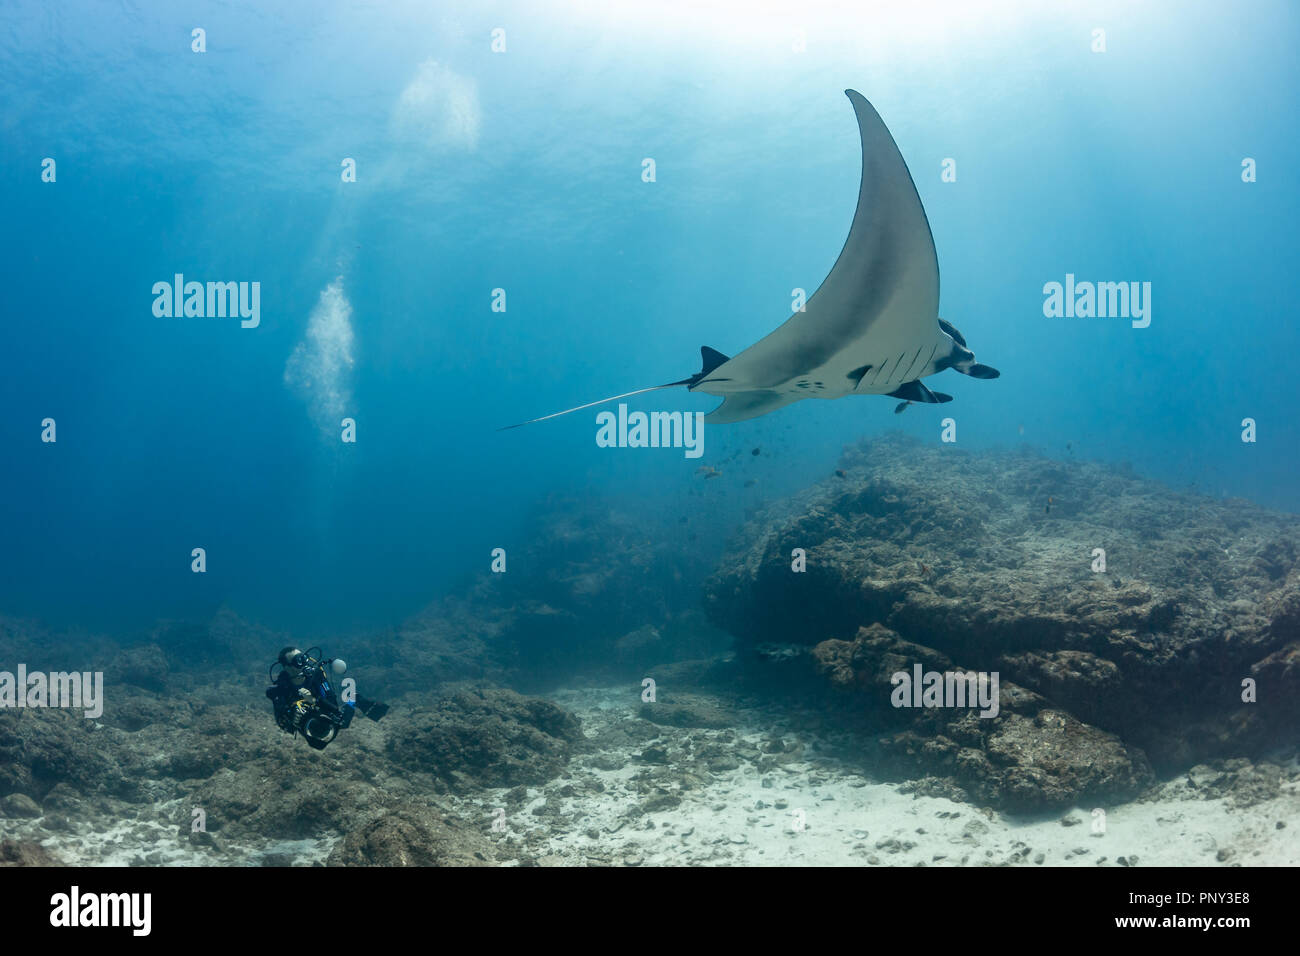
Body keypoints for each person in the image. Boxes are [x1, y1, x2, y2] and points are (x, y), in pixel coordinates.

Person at [266, 646, 388, 750]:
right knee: (316, 744)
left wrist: (314, 700)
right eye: (298, 661)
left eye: (303, 658)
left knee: (342, 723)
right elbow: (281, 720)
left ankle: (352, 699)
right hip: (308, 716)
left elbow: (333, 705)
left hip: (323, 706)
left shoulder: (315, 675)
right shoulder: (281, 687)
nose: (304, 663)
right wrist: (292, 716)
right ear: (287, 667)